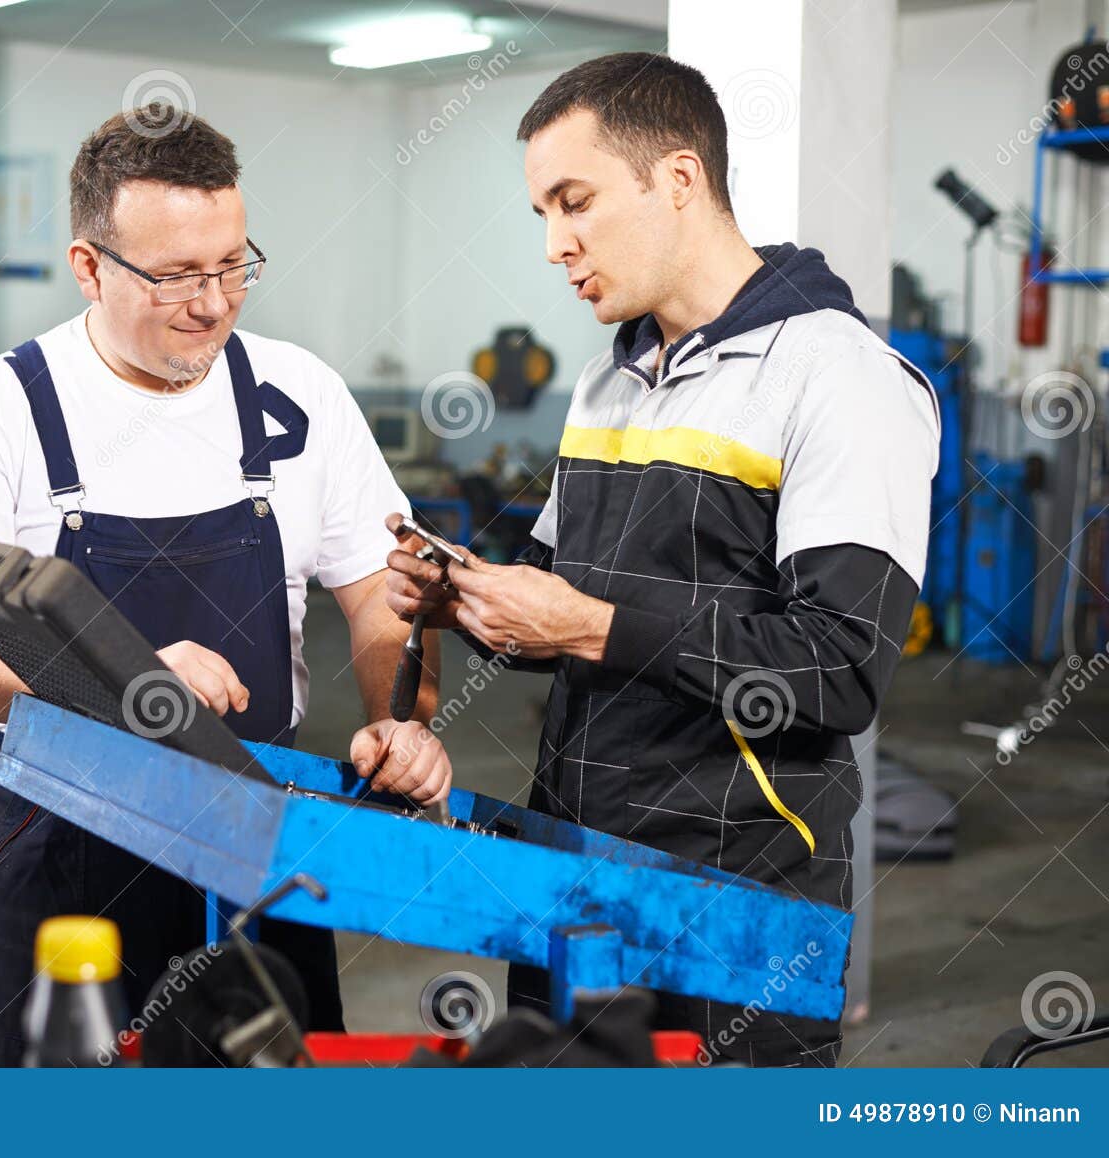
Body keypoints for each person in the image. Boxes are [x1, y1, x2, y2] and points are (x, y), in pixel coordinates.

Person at [384, 53, 939, 1067]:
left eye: (575, 201)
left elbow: (839, 668)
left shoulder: (840, 378)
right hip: (572, 871)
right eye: (541, 213)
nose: (555, 245)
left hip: (734, 903)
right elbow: (555, 613)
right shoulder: (608, 377)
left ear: (676, 179)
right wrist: (463, 597)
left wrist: (584, 624)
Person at [0, 105, 452, 1066]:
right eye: (177, 275)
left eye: (233, 264)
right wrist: (120, 680)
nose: (214, 301)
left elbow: (376, 595)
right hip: (53, 850)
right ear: (90, 266)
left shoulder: (301, 399)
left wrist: (405, 715)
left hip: (252, 834)